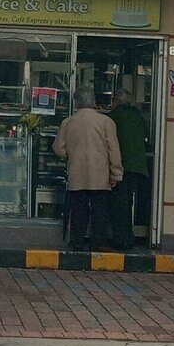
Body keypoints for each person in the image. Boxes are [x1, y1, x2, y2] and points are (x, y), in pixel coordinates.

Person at [54, 86, 123, 252]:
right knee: (100, 209)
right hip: (100, 174)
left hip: (77, 173)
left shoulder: (68, 122)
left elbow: (58, 148)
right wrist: (116, 173)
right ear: (93, 102)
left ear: (76, 103)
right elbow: (114, 150)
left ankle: (77, 241)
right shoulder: (106, 122)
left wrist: (70, 155)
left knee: (78, 209)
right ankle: (98, 242)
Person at [108, 91, 149, 252]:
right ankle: (128, 236)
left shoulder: (114, 115)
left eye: (113, 100)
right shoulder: (138, 116)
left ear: (117, 101)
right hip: (139, 167)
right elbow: (144, 135)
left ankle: (123, 239)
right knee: (127, 203)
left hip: (123, 165)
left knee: (119, 205)